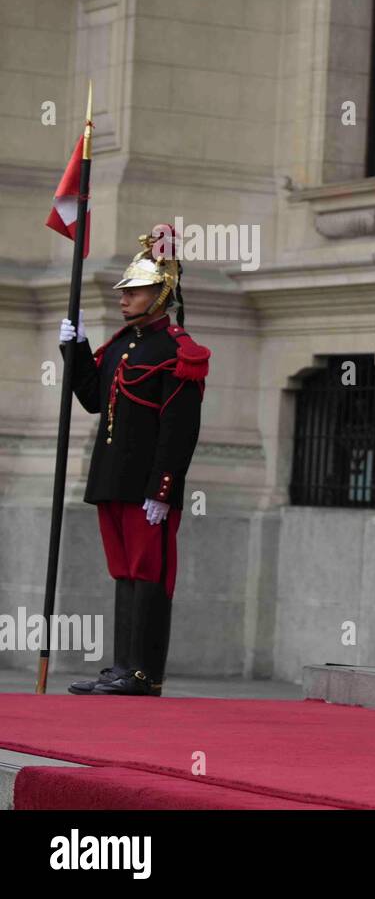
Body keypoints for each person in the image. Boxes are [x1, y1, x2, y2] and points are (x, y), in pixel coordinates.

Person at [60, 225, 209, 696]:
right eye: (125, 291)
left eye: (135, 291)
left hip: (148, 488)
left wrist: (163, 490)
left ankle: (144, 674)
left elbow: (179, 428)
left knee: (150, 574)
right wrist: (76, 346)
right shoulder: (124, 344)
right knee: (123, 572)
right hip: (113, 480)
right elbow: (90, 399)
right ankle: (122, 667)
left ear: (160, 293)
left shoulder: (177, 351)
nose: (124, 299)